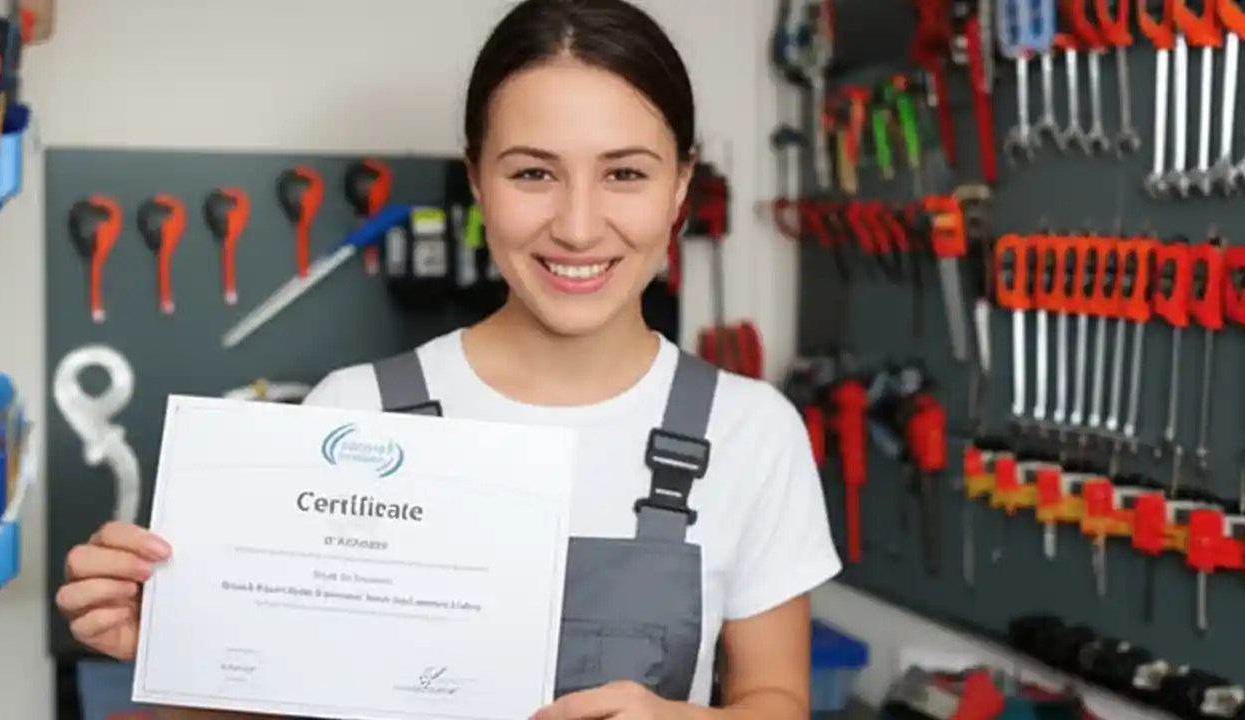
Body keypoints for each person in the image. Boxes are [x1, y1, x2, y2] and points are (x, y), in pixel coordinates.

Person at [54, 0, 841, 717]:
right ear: (476, 181)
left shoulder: (751, 432)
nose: (576, 226)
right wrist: (176, 648)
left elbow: (776, 698)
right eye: (533, 172)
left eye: (625, 173)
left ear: (680, 187)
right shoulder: (352, 415)